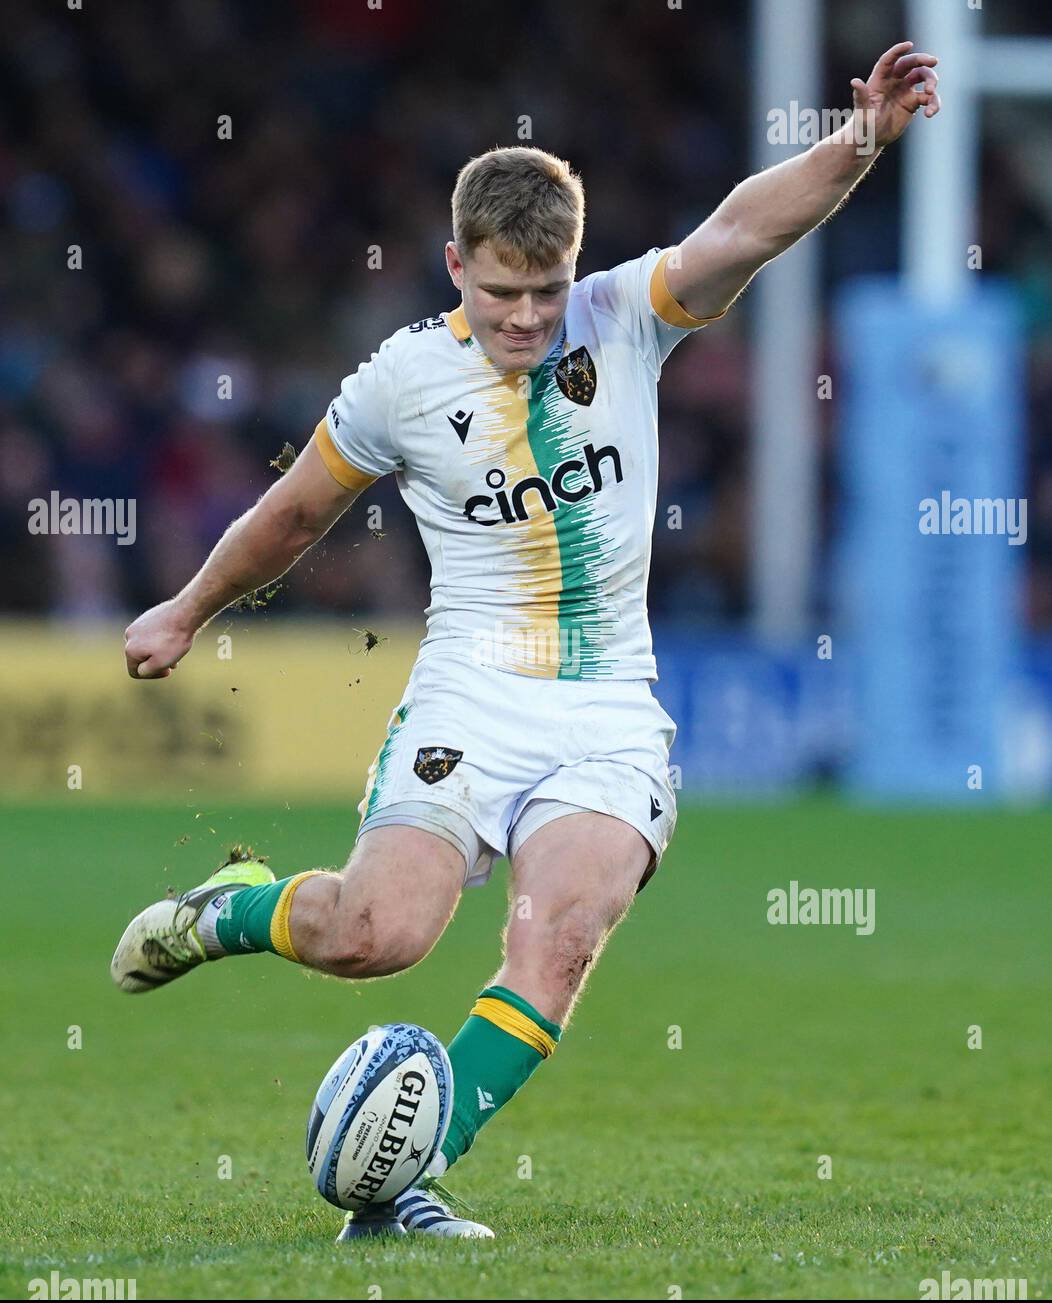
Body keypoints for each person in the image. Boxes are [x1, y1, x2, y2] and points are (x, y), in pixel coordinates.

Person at [112, 42, 940, 1240]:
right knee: (375, 936)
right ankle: (234, 904)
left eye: (545, 290)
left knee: (556, 938)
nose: (525, 316)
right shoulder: (402, 379)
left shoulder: (623, 316)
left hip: (607, 707)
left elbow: (742, 231)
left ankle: (405, 1181)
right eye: (500, 292)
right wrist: (187, 608)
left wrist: (856, 141)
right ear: (456, 265)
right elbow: (296, 512)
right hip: (471, 693)